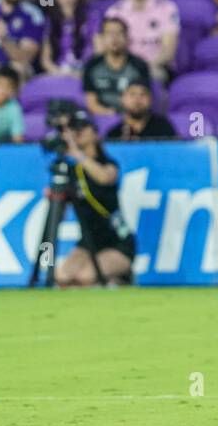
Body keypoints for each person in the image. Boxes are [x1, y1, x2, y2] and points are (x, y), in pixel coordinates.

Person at [51, 111, 134, 286]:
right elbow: (61, 215)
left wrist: (77, 154)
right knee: (62, 277)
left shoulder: (107, 163)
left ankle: (122, 278)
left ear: (95, 133)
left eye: (82, 128)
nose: (78, 132)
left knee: (86, 276)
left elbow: (105, 177)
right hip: (87, 243)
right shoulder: (73, 171)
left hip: (117, 243)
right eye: (74, 129)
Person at [104, 0, 179, 83]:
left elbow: (168, 50)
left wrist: (144, 67)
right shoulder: (115, 10)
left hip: (156, 65)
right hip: (123, 66)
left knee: (152, 76)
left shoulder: (166, 7)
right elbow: (108, 46)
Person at [82, 16, 154, 116]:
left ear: (127, 38)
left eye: (119, 33)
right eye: (109, 33)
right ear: (102, 38)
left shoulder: (139, 65)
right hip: (101, 117)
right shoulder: (92, 65)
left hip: (132, 117)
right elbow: (91, 103)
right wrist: (109, 114)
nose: (114, 38)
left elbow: (142, 101)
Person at [40, 0, 89, 76]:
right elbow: (45, 60)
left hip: (86, 73)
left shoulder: (91, 17)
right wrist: (58, 73)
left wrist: (83, 73)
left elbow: (99, 50)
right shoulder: (49, 20)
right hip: (58, 73)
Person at [107, 80, 176, 140]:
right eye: (132, 94)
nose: (137, 99)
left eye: (143, 94)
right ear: (122, 99)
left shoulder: (163, 128)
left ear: (150, 100)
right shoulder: (115, 134)